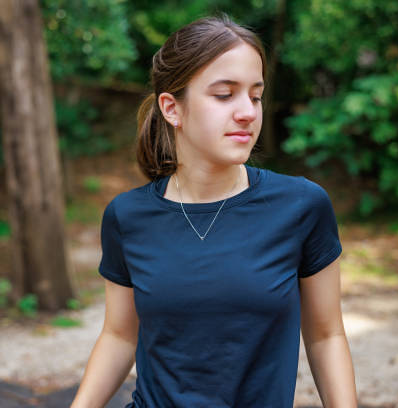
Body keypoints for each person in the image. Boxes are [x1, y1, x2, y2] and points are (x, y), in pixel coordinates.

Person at [71, 13, 358, 408]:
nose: (248, 112)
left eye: (255, 95)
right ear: (172, 109)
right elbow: (120, 336)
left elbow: (326, 335)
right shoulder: (126, 216)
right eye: (225, 94)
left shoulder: (303, 206)